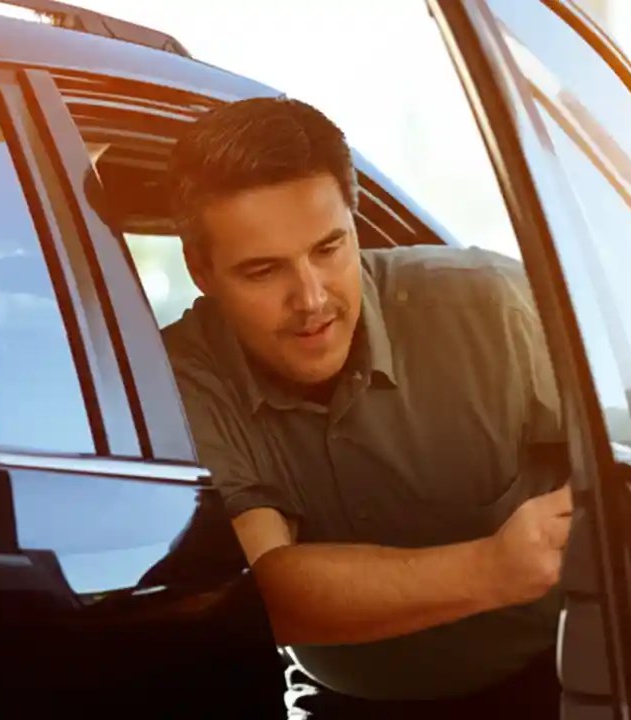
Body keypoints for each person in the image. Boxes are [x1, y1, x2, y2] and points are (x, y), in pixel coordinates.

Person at [161, 97, 571, 719]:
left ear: (356, 225)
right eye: (264, 270)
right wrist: (496, 568)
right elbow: (268, 591)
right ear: (201, 271)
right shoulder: (181, 377)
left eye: (329, 249)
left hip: (562, 685)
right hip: (342, 701)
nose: (311, 298)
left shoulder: (498, 309)